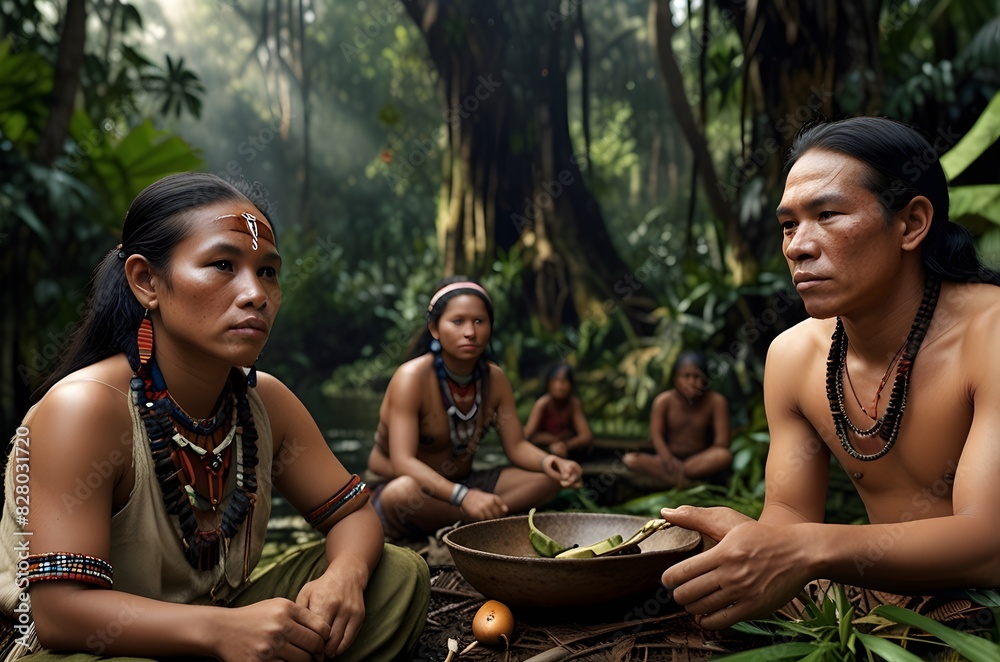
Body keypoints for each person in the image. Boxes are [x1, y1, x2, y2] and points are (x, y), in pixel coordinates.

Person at [0, 173, 429, 661]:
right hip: (92, 651)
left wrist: (343, 579)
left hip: (222, 630)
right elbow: (59, 615)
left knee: (396, 574)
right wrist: (222, 631)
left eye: (268, 271)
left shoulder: (265, 402)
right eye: (223, 264)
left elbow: (354, 516)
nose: (256, 294)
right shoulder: (83, 408)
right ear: (147, 281)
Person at [661, 116, 1000, 631]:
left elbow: (988, 546)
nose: (798, 245)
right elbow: (790, 517)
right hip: (882, 603)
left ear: (911, 224)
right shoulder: (792, 357)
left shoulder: (989, 334)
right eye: (789, 224)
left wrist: (804, 547)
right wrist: (755, 545)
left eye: (827, 214)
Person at [365, 277, 583, 540]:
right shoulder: (411, 378)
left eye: (479, 321)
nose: (470, 331)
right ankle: (481, 516)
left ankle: (478, 515)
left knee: (549, 479)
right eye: (458, 322)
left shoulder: (495, 380)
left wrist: (550, 461)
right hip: (412, 492)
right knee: (401, 492)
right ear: (434, 328)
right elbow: (403, 462)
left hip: (465, 484)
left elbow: (516, 446)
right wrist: (463, 496)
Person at [622, 351, 732, 486]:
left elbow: (721, 443)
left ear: (706, 379)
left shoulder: (716, 401)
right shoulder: (664, 401)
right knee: (630, 459)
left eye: (697, 376)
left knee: (723, 455)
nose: (692, 382)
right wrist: (667, 458)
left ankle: (679, 477)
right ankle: (685, 483)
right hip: (669, 458)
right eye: (686, 376)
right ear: (675, 378)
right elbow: (656, 435)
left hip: (699, 461)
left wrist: (693, 465)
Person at [523, 363, 593, 460]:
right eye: (555, 380)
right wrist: (552, 439)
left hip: (567, 450)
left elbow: (586, 436)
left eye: (564, 381)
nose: (560, 385)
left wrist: (565, 445)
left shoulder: (573, 404)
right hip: (543, 450)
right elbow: (527, 435)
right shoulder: (542, 404)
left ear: (571, 385)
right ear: (548, 383)